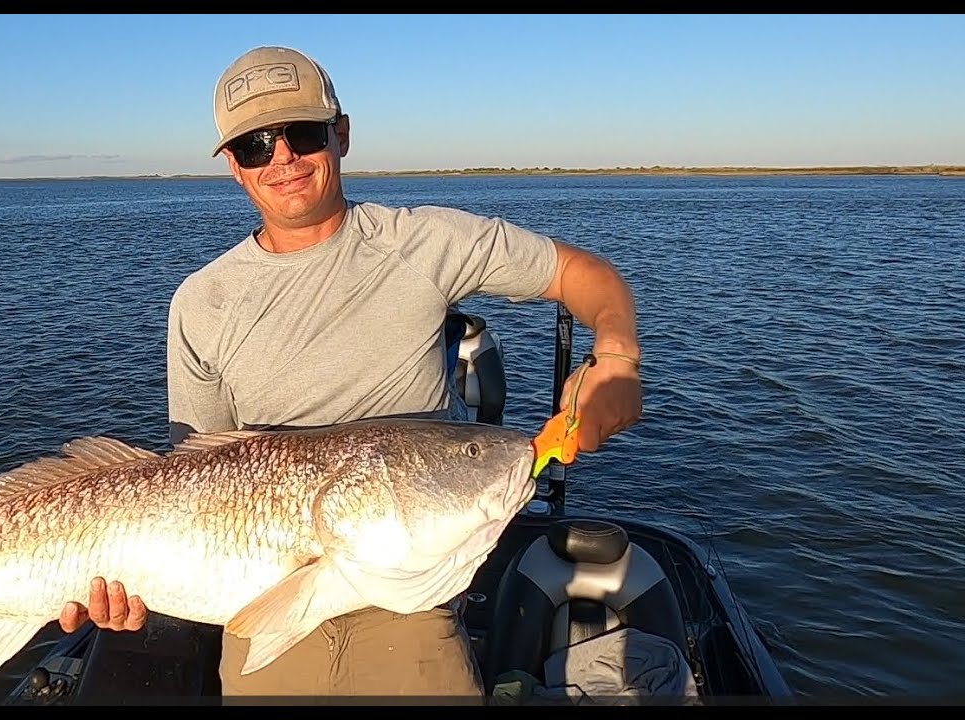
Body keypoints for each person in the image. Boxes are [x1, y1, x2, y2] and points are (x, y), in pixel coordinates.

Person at [57, 45, 643, 702]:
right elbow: (191, 467)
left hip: (409, 599)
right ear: (232, 165)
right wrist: (131, 590)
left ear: (341, 134)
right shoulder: (202, 300)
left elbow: (580, 274)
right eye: (253, 145)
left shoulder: (422, 243)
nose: (281, 158)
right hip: (264, 592)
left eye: (301, 133)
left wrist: (617, 355)